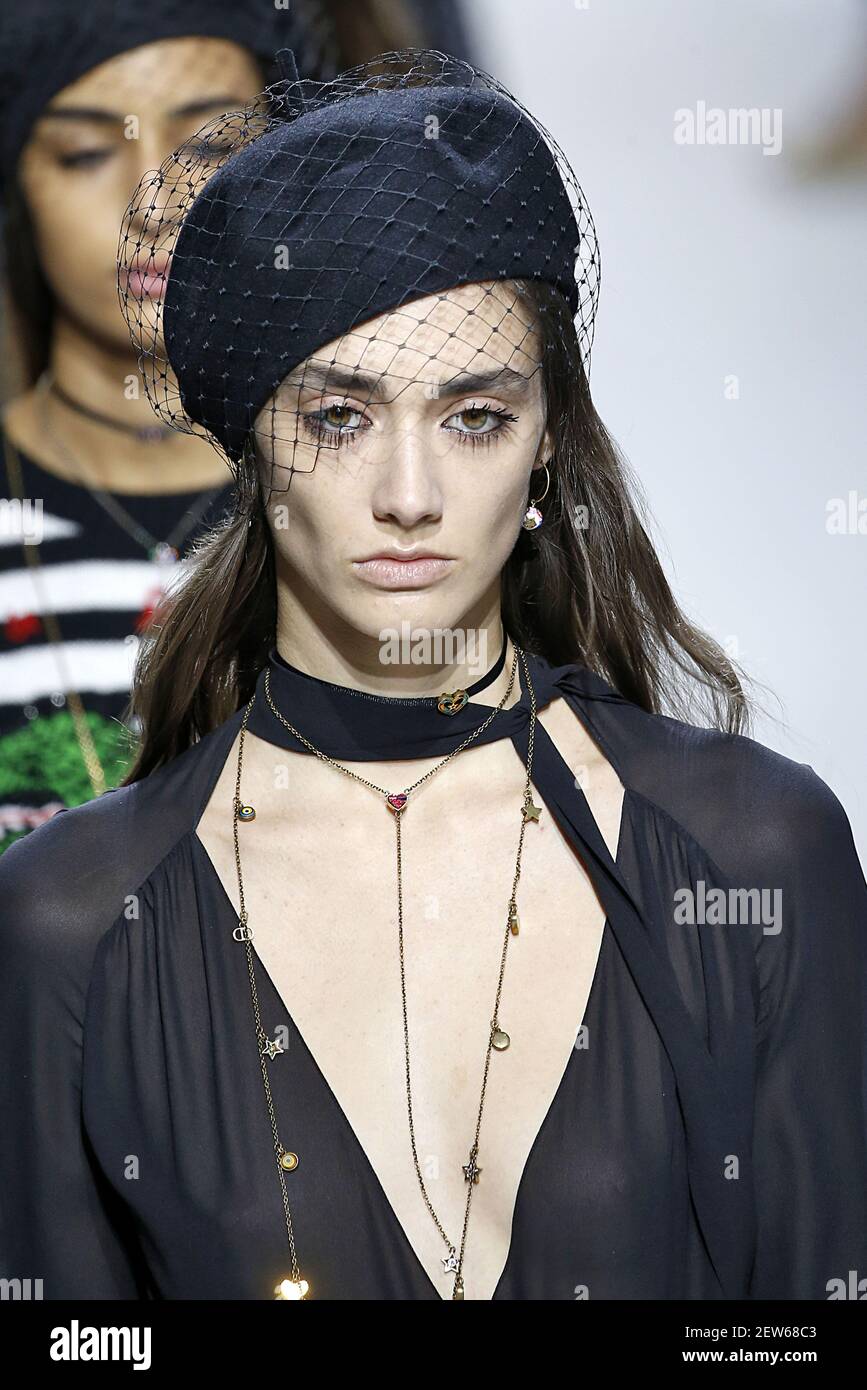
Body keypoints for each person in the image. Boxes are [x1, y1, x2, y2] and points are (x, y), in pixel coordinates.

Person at [0, 47, 864, 1302]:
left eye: (474, 416)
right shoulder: (65, 922)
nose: (409, 499)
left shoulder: (756, 852)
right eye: (338, 418)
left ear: (549, 440)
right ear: (252, 438)